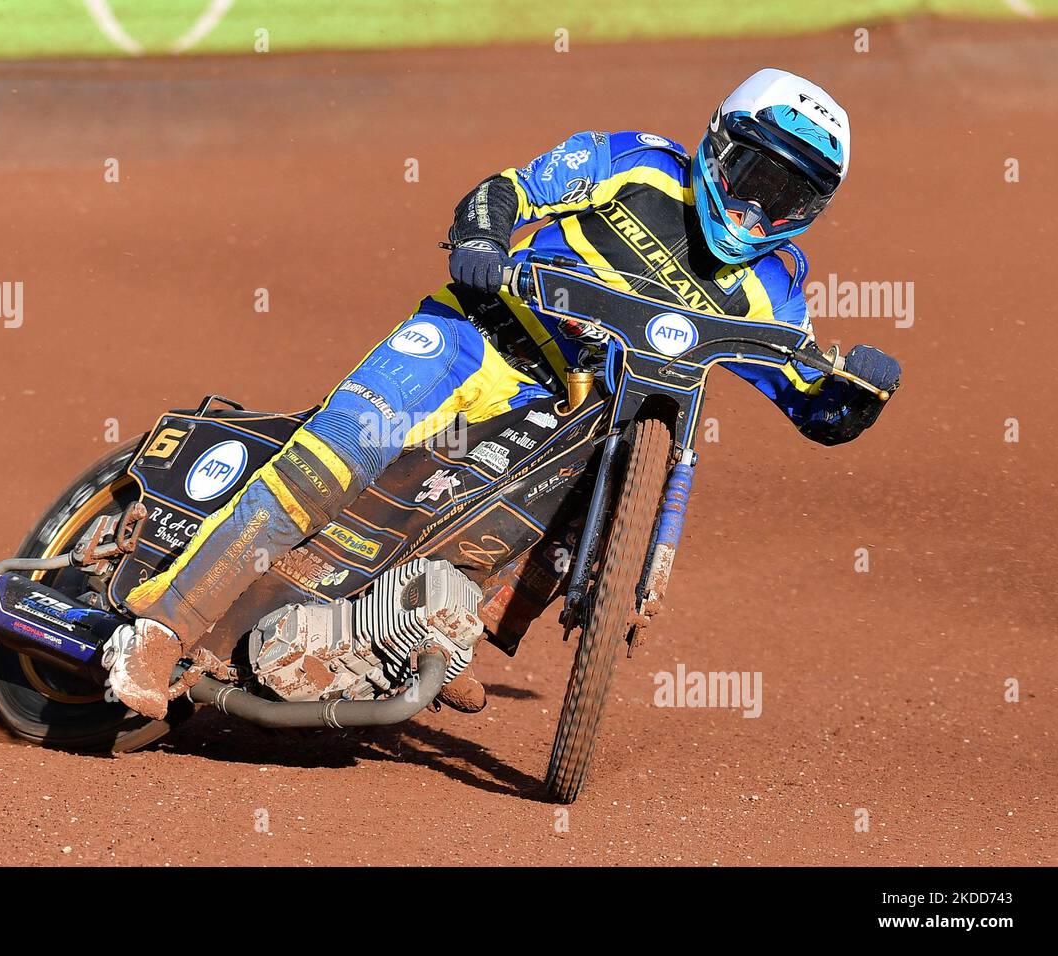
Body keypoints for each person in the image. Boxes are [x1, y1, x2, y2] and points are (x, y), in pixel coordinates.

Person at [104, 67, 902, 720]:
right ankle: (160, 631)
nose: (760, 209)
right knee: (336, 457)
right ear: (717, 146)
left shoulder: (775, 286)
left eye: (790, 198)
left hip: (576, 407)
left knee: (607, 464)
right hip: (475, 338)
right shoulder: (635, 162)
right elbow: (507, 191)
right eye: (754, 177)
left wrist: (857, 394)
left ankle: (432, 630)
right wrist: (482, 240)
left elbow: (808, 401)